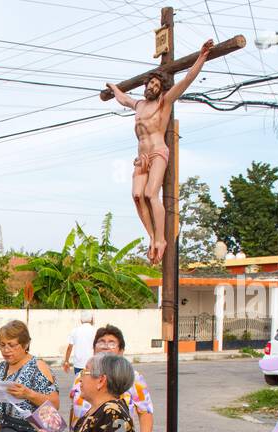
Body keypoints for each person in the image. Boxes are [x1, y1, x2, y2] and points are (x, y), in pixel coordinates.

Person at [105, 38, 213, 263]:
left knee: (150, 194)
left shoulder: (165, 102)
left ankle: (161, 239)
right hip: (141, 156)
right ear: (145, 86)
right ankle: (152, 236)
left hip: (158, 153)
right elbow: (124, 99)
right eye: (150, 84)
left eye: (156, 85)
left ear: (160, 88)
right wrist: (115, 88)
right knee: (137, 196)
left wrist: (202, 57)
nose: (152, 87)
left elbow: (187, 80)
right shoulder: (139, 105)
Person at [62, 312, 96, 379]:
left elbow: (69, 347)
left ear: (81, 320)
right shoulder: (96, 330)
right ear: (91, 319)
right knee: (92, 385)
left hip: (78, 364)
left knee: (79, 384)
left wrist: (66, 361)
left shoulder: (75, 331)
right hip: (93, 364)